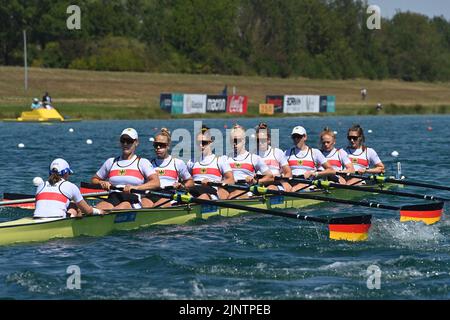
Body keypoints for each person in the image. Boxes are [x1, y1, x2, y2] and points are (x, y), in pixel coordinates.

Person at [91, 128, 160, 210]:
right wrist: (101, 182)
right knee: (99, 208)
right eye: (123, 140)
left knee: (124, 206)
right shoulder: (111, 162)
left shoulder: (142, 162)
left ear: (136, 142)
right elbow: (94, 179)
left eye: (129, 141)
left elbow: (156, 183)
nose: (125, 144)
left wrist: (136, 188)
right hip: (113, 197)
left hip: (132, 198)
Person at [33, 158, 104, 218]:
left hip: (37, 218)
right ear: (66, 173)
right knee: (74, 206)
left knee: (71, 205)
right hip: (56, 221)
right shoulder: (71, 186)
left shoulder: (41, 186)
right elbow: (88, 211)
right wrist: (98, 211)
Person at [141, 128, 194, 207]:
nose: (158, 147)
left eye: (162, 145)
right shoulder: (149, 164)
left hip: (170, 194)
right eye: (156, 145)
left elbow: (190, 181)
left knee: (158, 206)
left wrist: (182, 186)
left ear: (168, 146)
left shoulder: (177, 163)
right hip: (153, 193)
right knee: (144, 205)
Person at [187, 125, 235, 200]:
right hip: (194, 192)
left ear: (211, 142)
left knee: (203, 196)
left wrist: (213, 182)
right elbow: (186, 181)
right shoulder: (191, 162)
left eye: (204, 143)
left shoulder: (220, 160)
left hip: (211, 193)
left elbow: (231, 180)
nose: (200, 145)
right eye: (198, 142)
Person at [226, 124, 274, 199]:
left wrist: (256, 182)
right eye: (232, 141)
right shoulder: (225, 159)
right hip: (228, 189)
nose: (234, 143)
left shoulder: (254, 158)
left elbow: (270, 177)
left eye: (237, 140)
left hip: (246, 191)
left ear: (244, 140)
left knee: (233, 195)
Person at [285, 126, 335, 192]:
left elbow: (331, 170)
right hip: (292, 181)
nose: (296, 139)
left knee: (294, 189)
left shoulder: (315, 152)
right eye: (294, 137)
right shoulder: (287, 153)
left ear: (305, 137)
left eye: (299, 136)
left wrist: (315, 174)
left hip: (308, 182)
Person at [255, 122, 292, 191]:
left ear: (268, 140)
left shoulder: (277, 152)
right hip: (258, 184)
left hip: (275, 183)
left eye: (263, 140)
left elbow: (288, 173)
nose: (260, 142)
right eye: (258, 140)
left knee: (271, 188)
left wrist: (283, 181)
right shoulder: (252, 155)